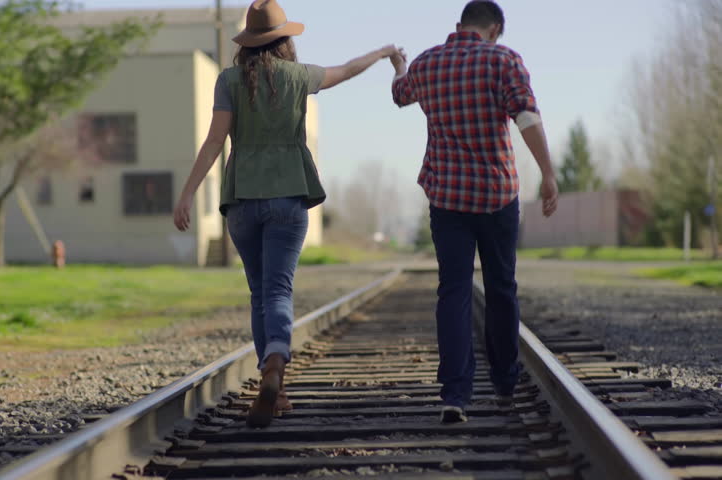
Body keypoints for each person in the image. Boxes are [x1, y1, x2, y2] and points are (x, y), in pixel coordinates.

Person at [174, 0, 400, 428]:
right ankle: (276, 366)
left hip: (242, 200)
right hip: (289, 198)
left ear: (247, 42)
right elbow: (348, 69)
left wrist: (187, 194)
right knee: (279, 290)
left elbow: (213, 142)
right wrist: (384, 52)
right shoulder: (301, 77)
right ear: (284, 40)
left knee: (260, 293)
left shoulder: (229, 81)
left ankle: (271, 381)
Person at [390, 0, 558, 424]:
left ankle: (455, 394)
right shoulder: (503, 60)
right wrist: (548, 174)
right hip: (497, 196)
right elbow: (525, 116)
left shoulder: (427, 64)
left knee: (454, 291)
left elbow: (399, 96)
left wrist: (398, 65)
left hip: (447, 197)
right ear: (495, 28)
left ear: (459, 26)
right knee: (502, 288)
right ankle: (504, 383)